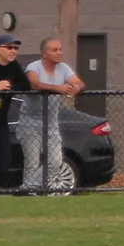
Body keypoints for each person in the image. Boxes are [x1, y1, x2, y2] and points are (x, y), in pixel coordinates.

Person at [19, 35, 82, 195]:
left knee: (55, 161)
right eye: (54, 50)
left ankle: (28, 188)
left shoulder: (63, 68)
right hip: (30, 122)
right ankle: (31, 194)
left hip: (51, 123)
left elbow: (79, 82)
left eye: (60, 49)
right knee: (32, 162)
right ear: (44, 53)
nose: (59, 53)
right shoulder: (34, 66)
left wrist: (75, 88)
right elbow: (33, 84)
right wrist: (57, 88)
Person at [0, 33, 33, 193]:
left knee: (3, 162)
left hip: (0, 122)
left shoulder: (13, 66)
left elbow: (26, 85)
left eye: (16, 48)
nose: (13, 51)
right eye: (9, 47)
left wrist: (10, 88)